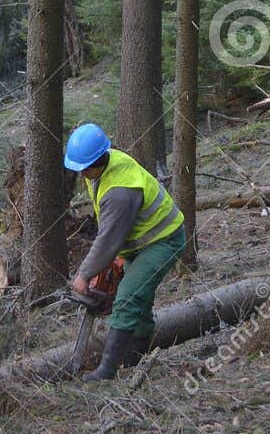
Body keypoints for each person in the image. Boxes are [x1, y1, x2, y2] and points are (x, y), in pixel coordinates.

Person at [63, 123, 187, 380]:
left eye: (84, 168)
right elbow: (111, 228)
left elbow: (108, 238)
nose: (81, 173)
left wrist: (84, 274)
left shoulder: (120, 191)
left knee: (128, 298)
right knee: (140, 303)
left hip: (163, 240)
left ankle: (107, 370)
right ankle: (135, 360)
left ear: (98, 160)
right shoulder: (102, 168)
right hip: (139, 242)